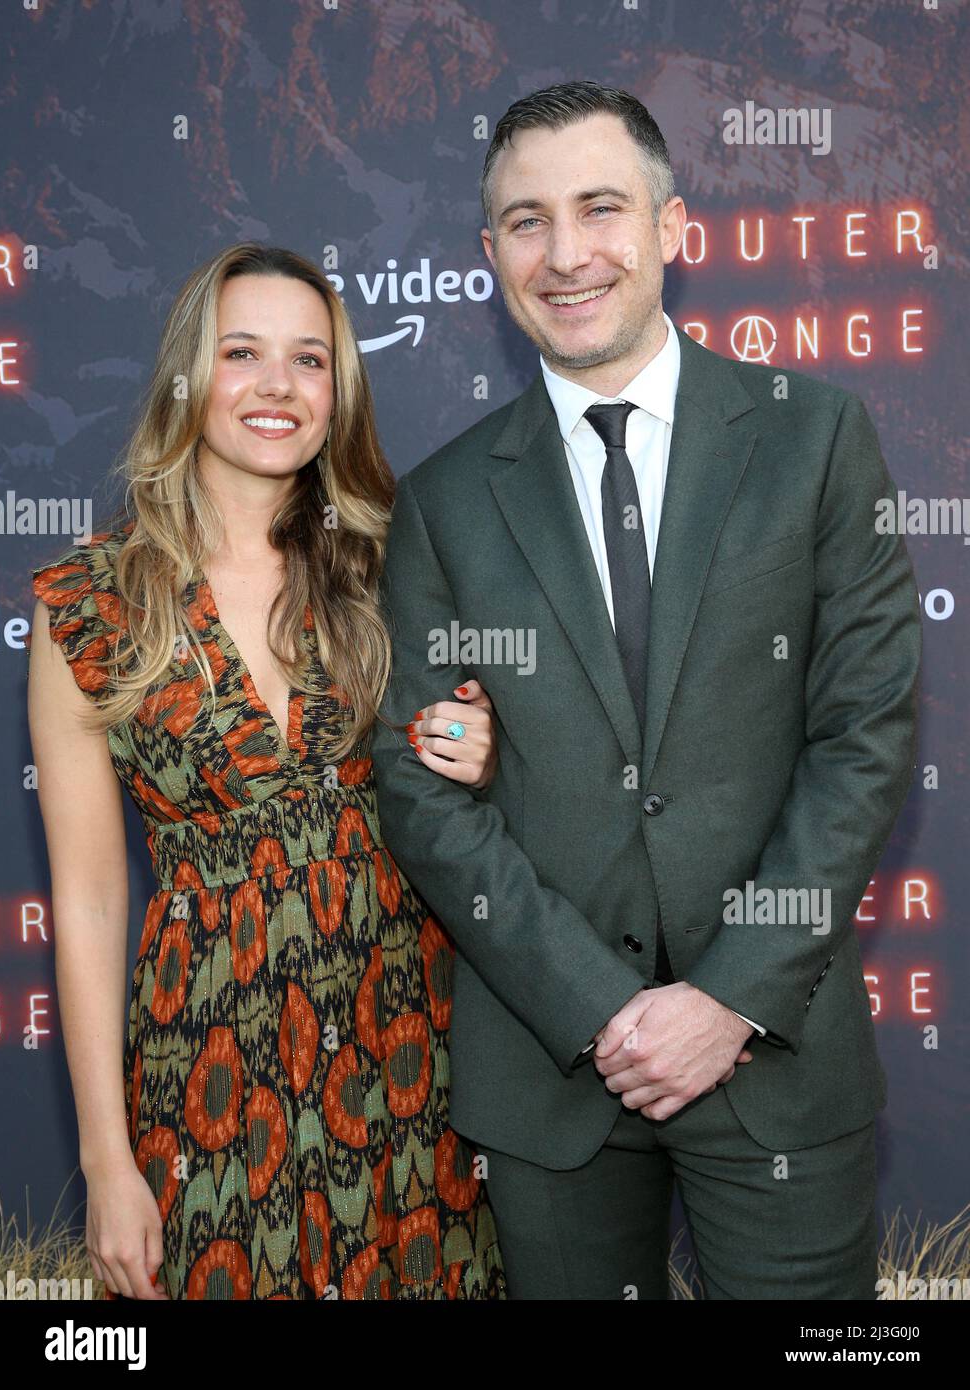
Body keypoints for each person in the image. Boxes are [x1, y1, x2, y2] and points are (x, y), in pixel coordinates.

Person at [370, 80, 922, 1299]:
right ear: (487, 255)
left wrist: (726, 998)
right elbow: (421, 781)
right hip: (550, 1071)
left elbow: (865, 735)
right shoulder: (448, 498)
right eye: (526, 220)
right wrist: (606, 1008)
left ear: (674, 228)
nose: (566, 255)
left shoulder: (815, 436)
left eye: (600, 208)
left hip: (779, 1048)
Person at [27, 243, 507, 1301]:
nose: (278, 386)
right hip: (207, 1059)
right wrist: (107, 1162)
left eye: (311, 359)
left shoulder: (400, 564)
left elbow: (497, 796)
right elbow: (95, 898)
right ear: (189, 375)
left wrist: (480, 760)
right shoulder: (89, 606)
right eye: (241, 352)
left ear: (341, 392)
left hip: (413, 1048)